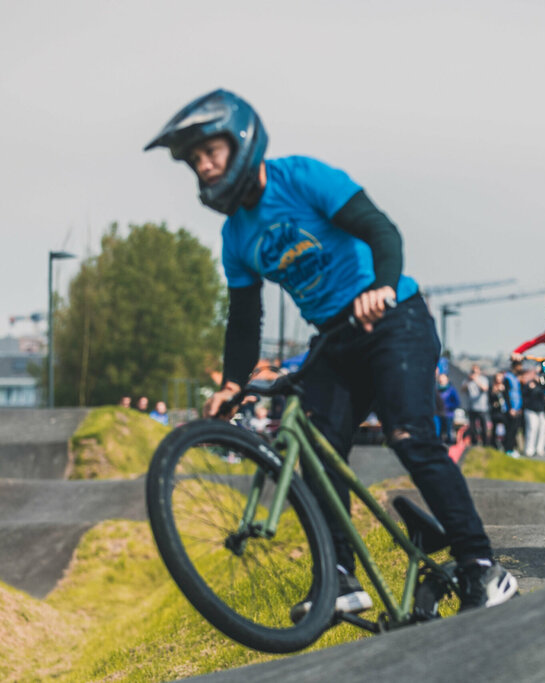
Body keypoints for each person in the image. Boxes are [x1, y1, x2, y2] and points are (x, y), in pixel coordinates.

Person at [145, 89, 516, 615]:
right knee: (317, 452)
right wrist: (232, 383)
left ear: (240, 141)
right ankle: (339, 578)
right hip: (335, 341)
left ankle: (482, 565)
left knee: (409, 435)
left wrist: (382, 287)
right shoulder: (236, 237)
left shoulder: (303, 177)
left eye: (211, 153)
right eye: (195, 161)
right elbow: (245, 319)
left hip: (395, 320)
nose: (204, 167)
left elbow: (380, 229)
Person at [520, 366, 545, 457]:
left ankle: (540, 449)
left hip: (542, 411)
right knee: (532, 429)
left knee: (542, 429)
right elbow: (524, 396)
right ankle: (529, 449)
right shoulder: (529, 385)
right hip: (531, 410)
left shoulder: (544, 385)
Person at [462, 365, 490, 446]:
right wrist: (469, 381)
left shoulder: (483, 379)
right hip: (471, 407)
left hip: (482, 407)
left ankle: (485, 443)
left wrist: (476, 380)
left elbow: (485, 388)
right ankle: (474, 443)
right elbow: (462, 389)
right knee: (472, 427)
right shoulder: (467, 380)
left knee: (483, 426)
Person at [488, 372, 511, 451]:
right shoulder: (492, 387)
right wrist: (496, 391)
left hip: (504, 411)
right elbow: (490, 398)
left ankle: (505, 445)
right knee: (494, 428)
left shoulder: (505, 386)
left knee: (506, 428)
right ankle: (493, 445)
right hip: (495, 412)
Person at [436, 373, 460, 444]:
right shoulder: (436, 389)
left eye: (443, 378)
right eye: (440, 378)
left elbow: (457, 402)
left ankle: (449, 446)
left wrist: (448, 407)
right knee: (438, 432)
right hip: (438, 414)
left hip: (448, 414)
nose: (441, 380)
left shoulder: (451, 390)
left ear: (447, 380)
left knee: (448, 432)